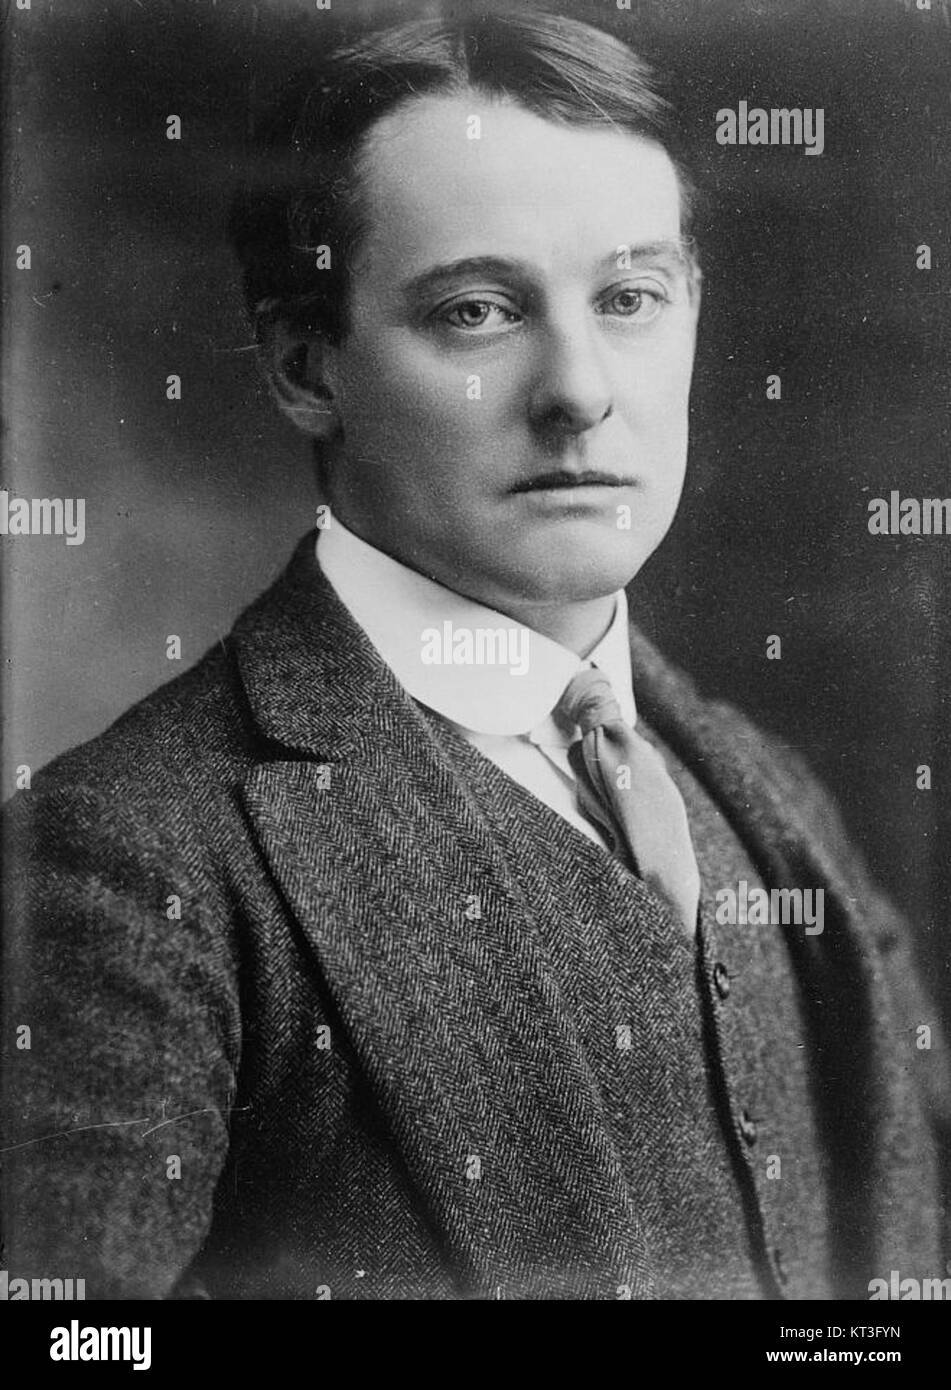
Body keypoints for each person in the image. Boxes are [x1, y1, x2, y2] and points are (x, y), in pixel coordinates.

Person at [3, 4, 949, 1301]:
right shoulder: (126, 854)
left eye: (629, 297)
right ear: (302, 362)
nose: (582, 388)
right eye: (480, 310)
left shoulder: (771, 802)